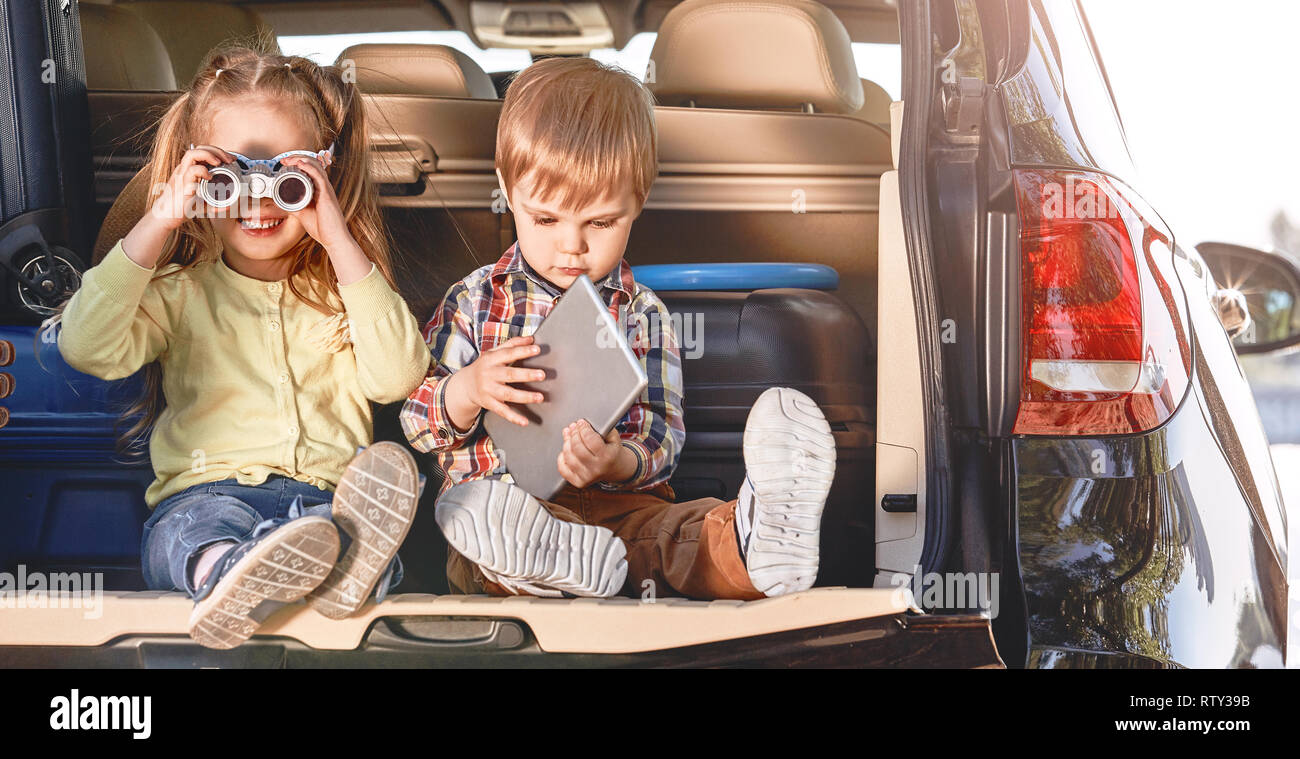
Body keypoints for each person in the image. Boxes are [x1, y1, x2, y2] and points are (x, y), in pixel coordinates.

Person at [400, 57, 837, 600]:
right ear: (507, 191)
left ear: (638, 202)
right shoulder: (474, 299)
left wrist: (616, 460)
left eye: (601, 222)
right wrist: (466, 390)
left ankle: (758, 540)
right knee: (481, 528)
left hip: (621, 509)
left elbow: (662, 434)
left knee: (674, 534)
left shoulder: (643, 312)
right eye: (545, 219)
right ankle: (544, 562)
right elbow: (417, 424)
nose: (572, 246)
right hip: (508, 509)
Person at [55, 46, 430, 649]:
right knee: (186, 533)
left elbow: (398, 376)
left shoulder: (346, 293)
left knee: (347, 532)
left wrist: (338, 238)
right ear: (196, 181)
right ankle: (227, 571)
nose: (258, 199)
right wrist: (160, 219)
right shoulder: (176, 292)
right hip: (208, 495)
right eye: (227, 178)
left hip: (323, 504)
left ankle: (336, 571)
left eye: (287, 177)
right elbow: (84, 346)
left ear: (325, 174)